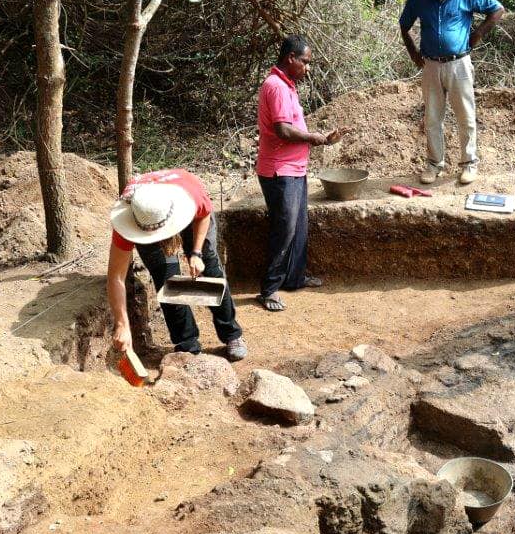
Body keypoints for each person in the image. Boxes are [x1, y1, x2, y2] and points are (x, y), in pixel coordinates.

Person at [107, 168, 247, 361]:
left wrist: (196, 253)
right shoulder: (131, 218)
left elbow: (204, 215)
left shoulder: (190, 195)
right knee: (167, 281)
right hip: (146, 221)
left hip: (191, 218)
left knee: (210, 269)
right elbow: (116, 277)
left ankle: (232, 333)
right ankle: (187, 345)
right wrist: (122, 324)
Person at [399, 0, 505, 186]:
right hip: (431, 65)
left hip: (459, 63)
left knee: (465, 115)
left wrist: (478, 33)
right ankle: (434, 164)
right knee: (433, 117)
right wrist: (414, 54)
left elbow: (497, 9)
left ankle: (469, 164)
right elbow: (404, 25)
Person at [256, 34, 342, 312]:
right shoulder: (277, 87)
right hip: (279, 171)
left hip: (293, 168)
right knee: (285, 229)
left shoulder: (287, 85)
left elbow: (290, 126)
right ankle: (269, 289)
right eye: (304, 62)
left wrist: (322, 139)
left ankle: (293, 278)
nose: (307, 67)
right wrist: (312, 137)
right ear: (290, 58)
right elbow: (282, 130)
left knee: (298, 227)